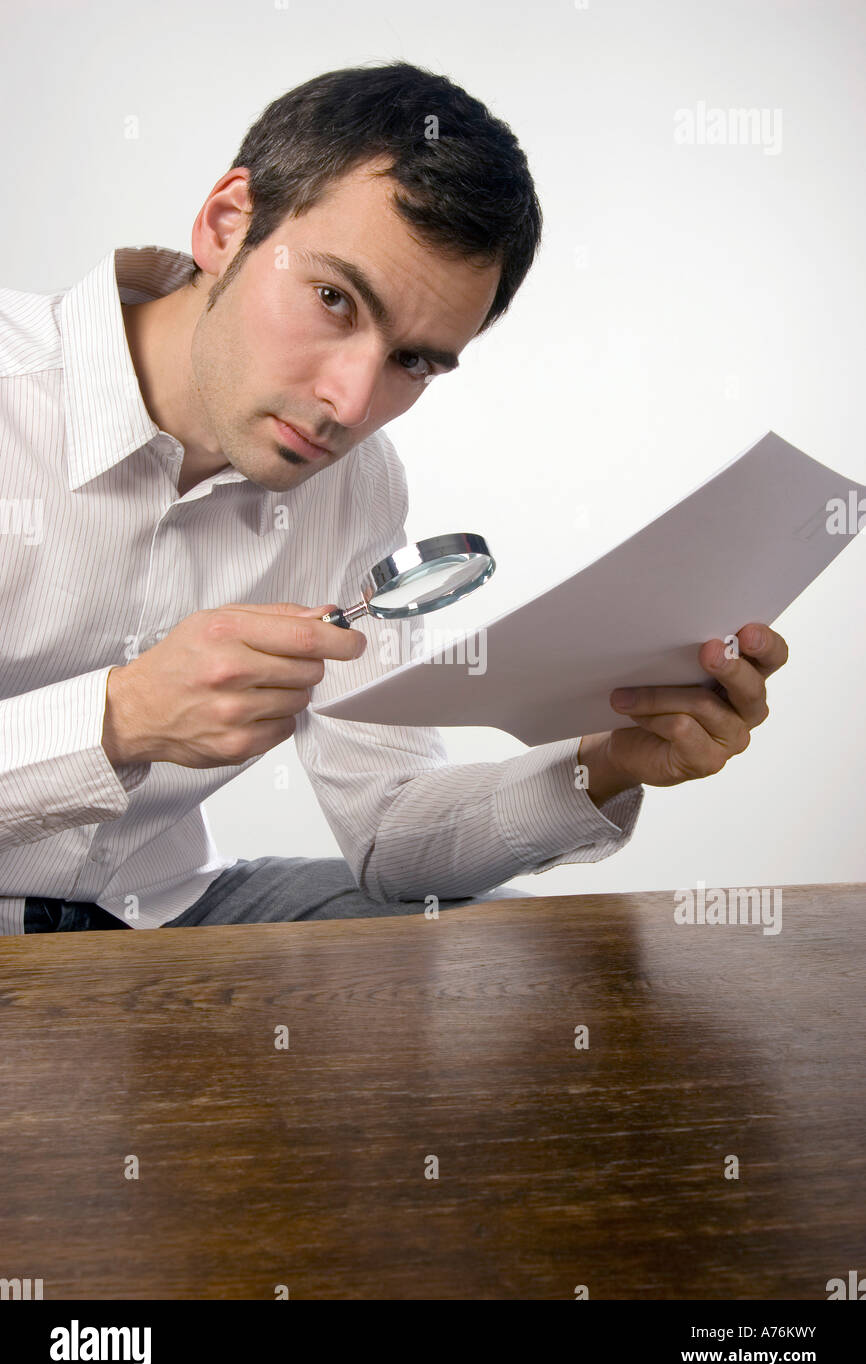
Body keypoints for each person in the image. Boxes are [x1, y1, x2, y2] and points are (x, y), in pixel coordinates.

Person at [0, 62, 787, 935]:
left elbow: (391, 840)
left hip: (164, 913)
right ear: (229, 224)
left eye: (413, 360)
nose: (349, 403)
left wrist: (605, 763)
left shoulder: (355, 482)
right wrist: (120, 718)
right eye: (334, 300)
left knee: (519, 958)